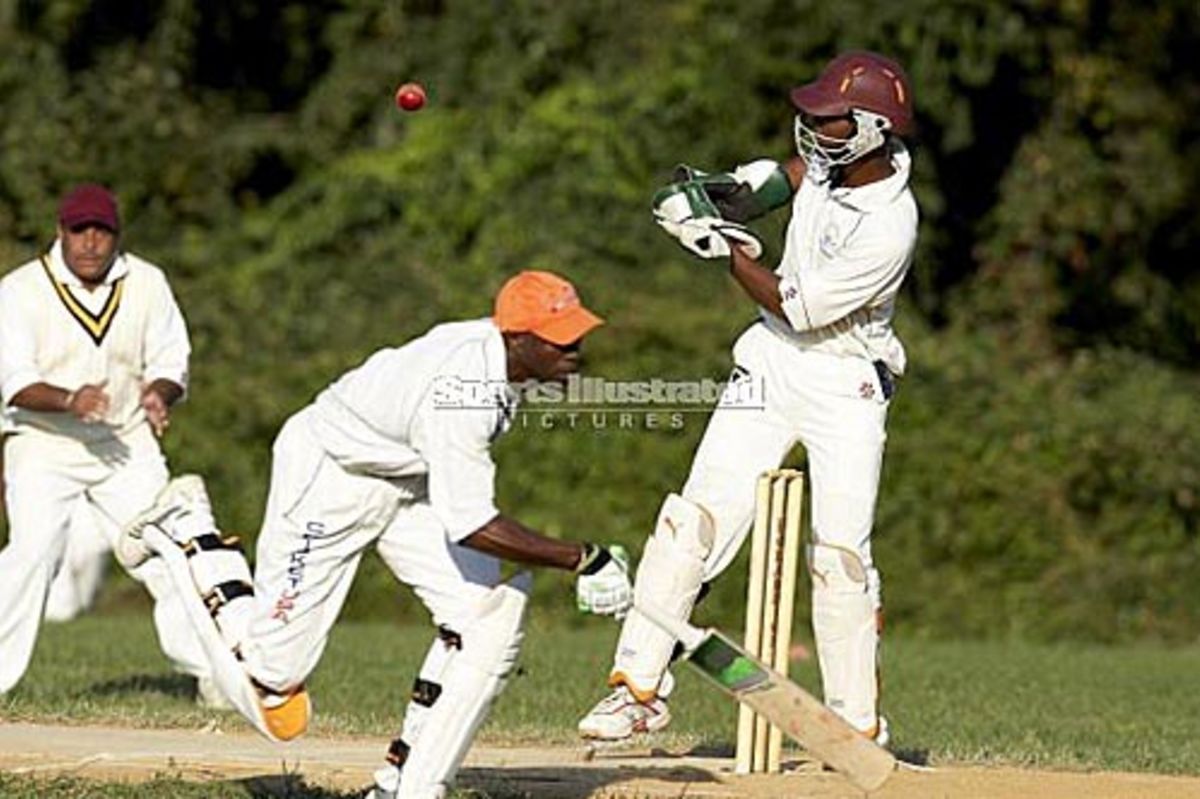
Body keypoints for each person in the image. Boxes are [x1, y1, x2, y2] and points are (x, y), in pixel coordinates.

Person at [117, 270, 633, 799]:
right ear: (516, 338)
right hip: (331, 475)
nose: (575, 351)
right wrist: (582, 558)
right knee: (273, 676)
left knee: (480, 624)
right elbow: (473, 524)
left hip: (407, 483)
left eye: (577, 334)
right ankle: (191, 529)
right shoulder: (464, 392)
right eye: (561, 340)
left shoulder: (508, 362)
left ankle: (400, 784)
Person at [578, 51, 919, 745]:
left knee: (839, 558)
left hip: (844, 383)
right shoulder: (831, 161)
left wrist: (719, 243)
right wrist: (726, 191)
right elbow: (786, 180)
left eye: (826, 118)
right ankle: (637, 689)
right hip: (768, 364)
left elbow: (796, 305)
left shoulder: (891, 223)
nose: (811, 126)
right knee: (690, 521)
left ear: (873, 128)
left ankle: (855, 726)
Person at [0, 183, 212, 697]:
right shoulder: (20, 290)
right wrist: (70, 400)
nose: (91, 242)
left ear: (118, 235)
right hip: (44, 442)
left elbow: (170, 360)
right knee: (32, 554)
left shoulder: (146, 282)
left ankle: (216, 675)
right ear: (60, 233)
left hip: (126, 444)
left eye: (102, 231)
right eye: (80, 230)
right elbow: (14, 384)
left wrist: (160, 394)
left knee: (169, 554)